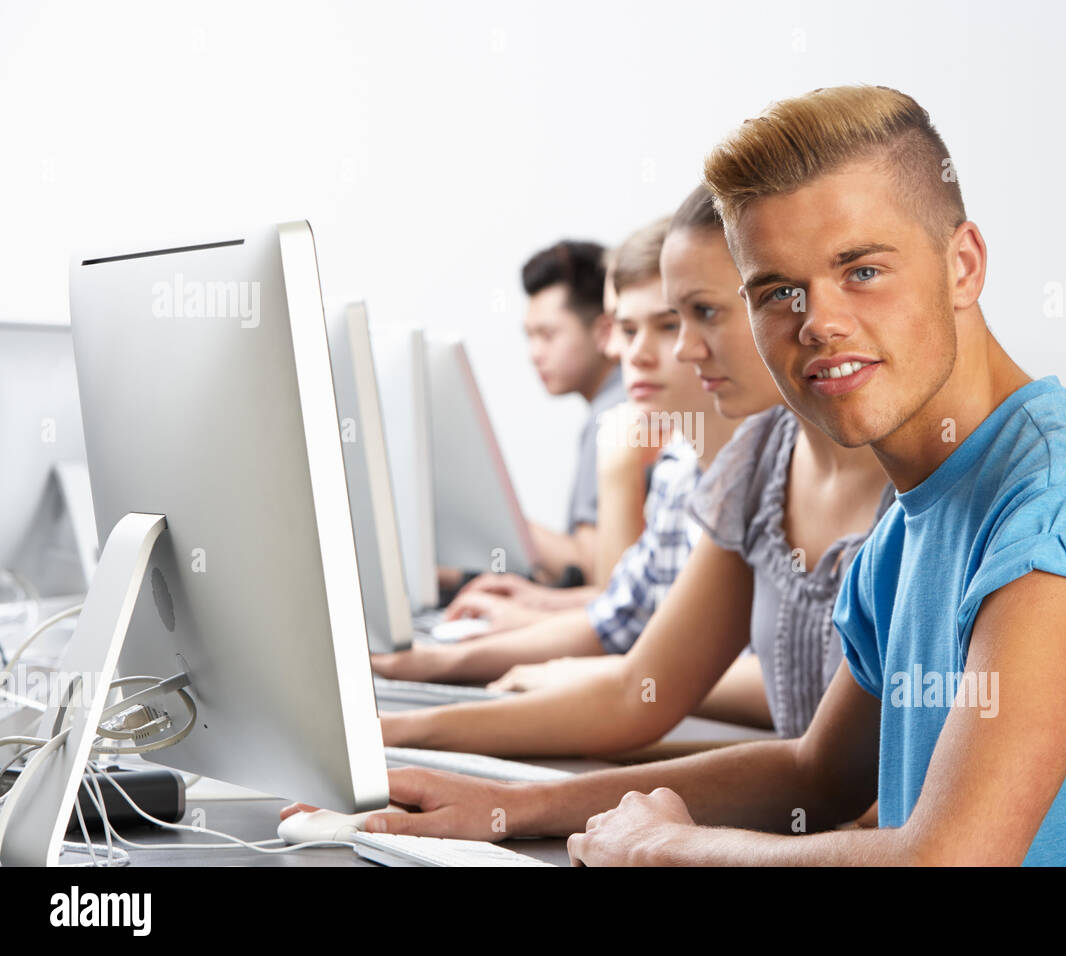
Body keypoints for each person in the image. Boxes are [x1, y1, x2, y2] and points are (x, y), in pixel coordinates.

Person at [293, 86, 1066, 867]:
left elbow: (947, 860)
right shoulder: (918, 513)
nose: (818, 322)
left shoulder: (1055, 515)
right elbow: (814, 764)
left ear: (963, 263)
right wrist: (515, 804)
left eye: (862, 269)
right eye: (776, 290)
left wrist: (671, 845)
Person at [355, 181, 893, 761]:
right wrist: (426, 685)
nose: (641, 354)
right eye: (630, 329)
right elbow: (625, 626)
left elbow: (805, 731)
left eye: (692, 318)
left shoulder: (890, 489)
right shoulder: (736, 466)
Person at [371, 216, 745, 695]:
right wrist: (449, 659)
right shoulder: (679, 466)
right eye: (628, 329)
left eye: (547, 334)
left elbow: (604, 581)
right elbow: (625, 610)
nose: (633, 352)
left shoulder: (633, 426)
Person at [500, 240, 624, 587]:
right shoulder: (614, 404)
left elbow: (587, 568)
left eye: (548, 335)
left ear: (603, 331)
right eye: (529, 337)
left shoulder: (613, 413)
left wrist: (495, 517)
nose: (533, 353)